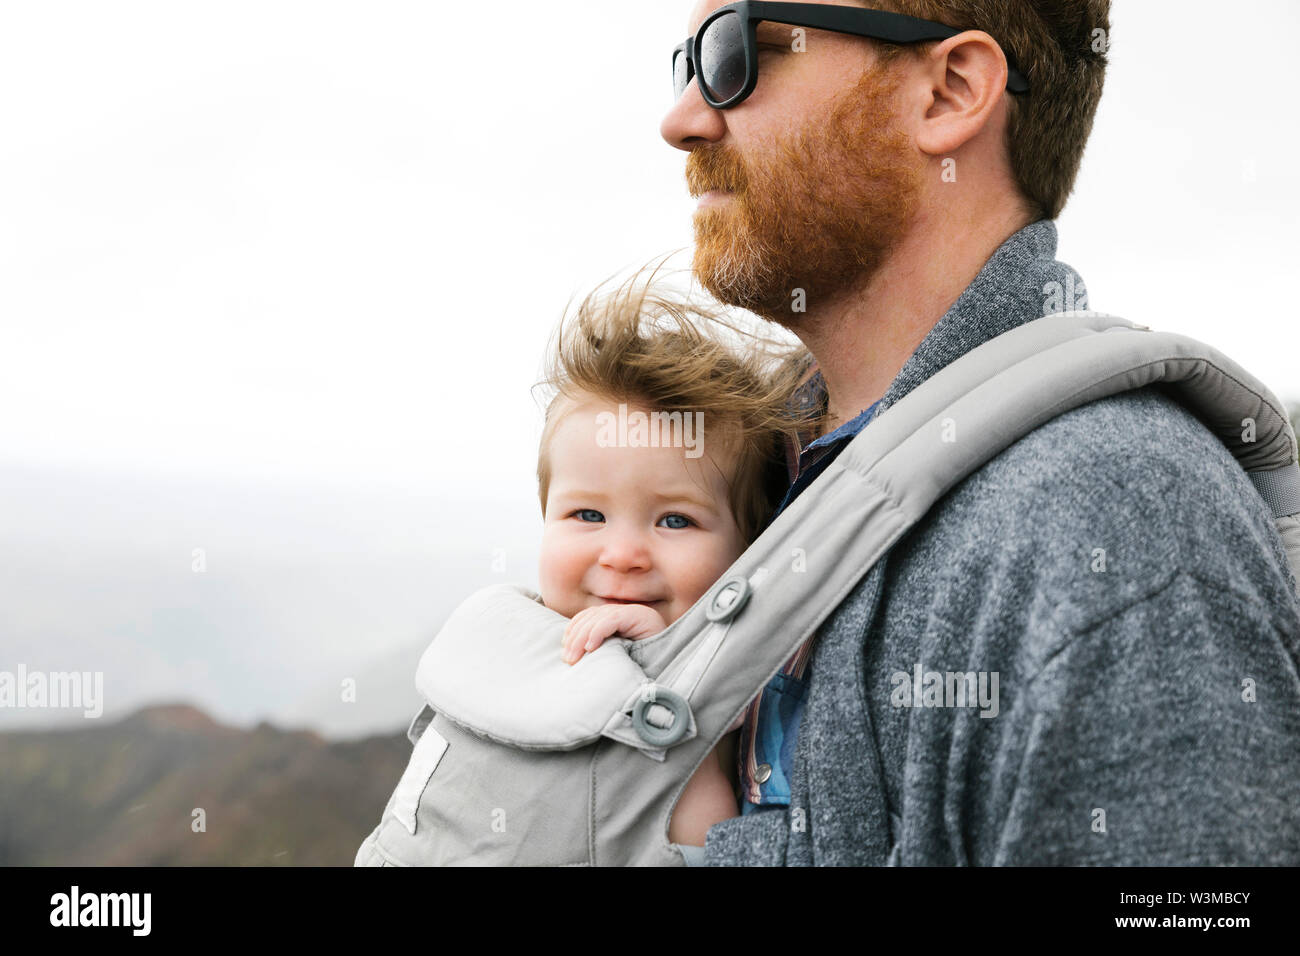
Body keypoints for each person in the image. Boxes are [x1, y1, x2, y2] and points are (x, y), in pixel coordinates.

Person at [660, 0, 1300, 864]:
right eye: (684, 65)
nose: (684, 119)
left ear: (951, 92)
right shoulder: (731, 490)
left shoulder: (1114, 528)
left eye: (736, 52)